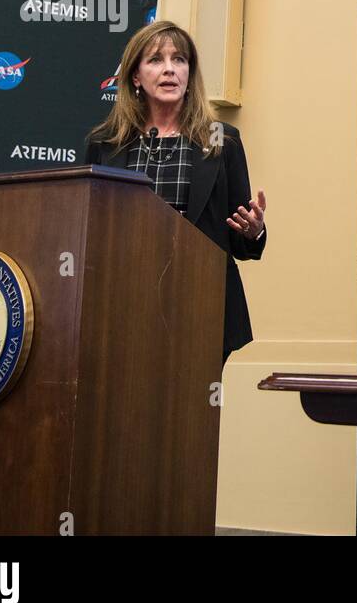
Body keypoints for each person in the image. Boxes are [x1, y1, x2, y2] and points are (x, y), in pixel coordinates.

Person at [82, 20, 266, 364]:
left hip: (202, 305)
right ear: (135, 76)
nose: (169, 69)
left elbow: (241, 242)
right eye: (156, 60)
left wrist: (254, 231)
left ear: (189, 73)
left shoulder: (221, 140)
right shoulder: (105, 144)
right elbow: (89, 235)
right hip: (123, 306)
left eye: (179, 60)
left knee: (193, 412)